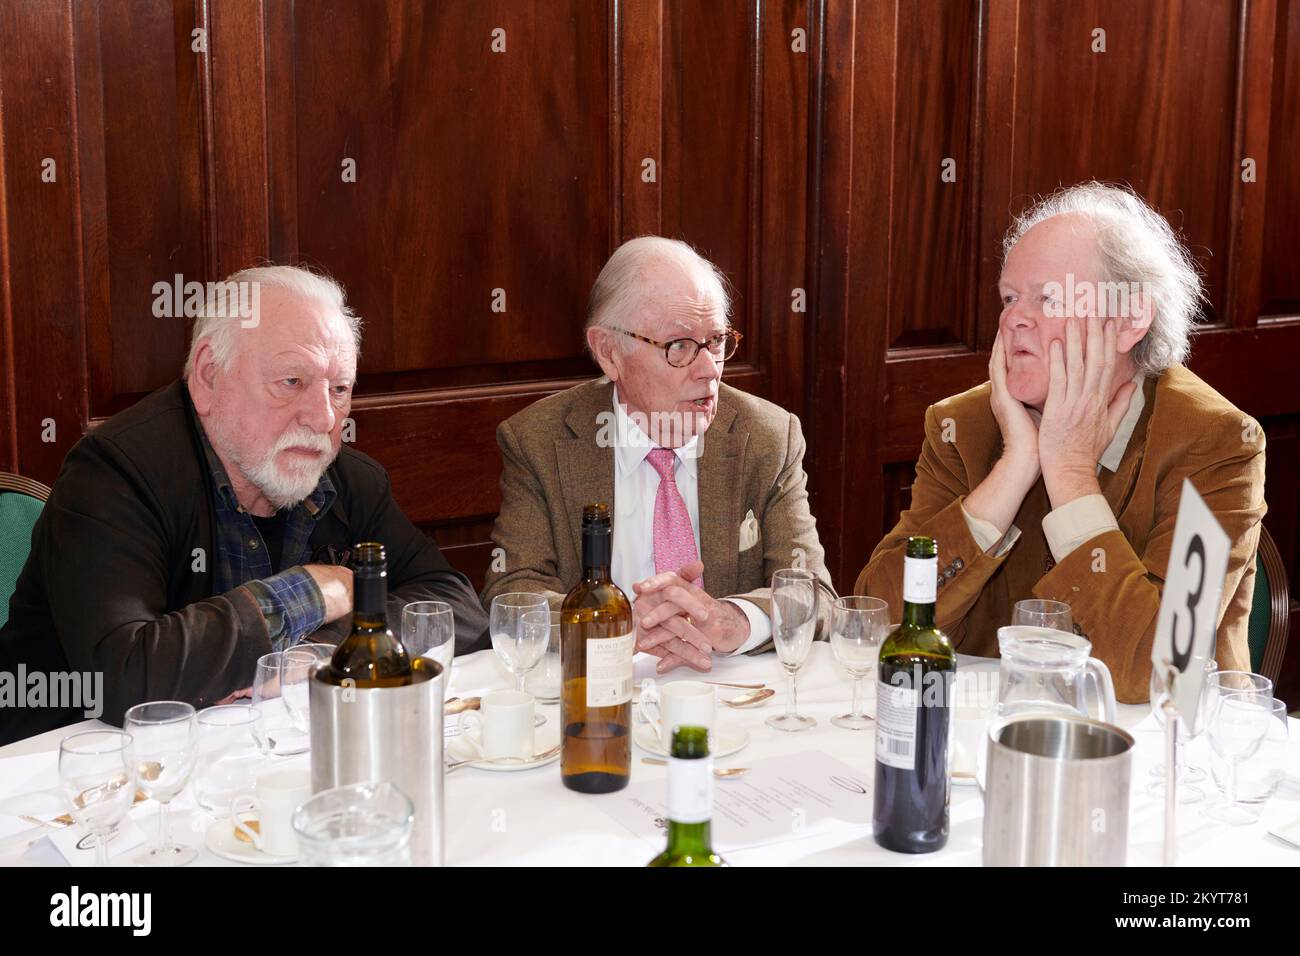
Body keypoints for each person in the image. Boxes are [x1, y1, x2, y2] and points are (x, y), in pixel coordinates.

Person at [0, 265, 488, 742]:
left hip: (255, 761)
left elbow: (455, 607)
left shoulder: (349, 479)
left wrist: (318, 651)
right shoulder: (113, 473)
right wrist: (313, 591)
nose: (323, 417)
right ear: (210, 375)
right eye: (292, 382)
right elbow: (122, 678)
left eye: (339, 389)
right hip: (62, 782)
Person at [855, 183, 1266, 702]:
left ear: (1130, 318)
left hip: (1165, 760)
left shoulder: (1217, 442)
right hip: (987, 741)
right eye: (1009, 297)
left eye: (1048, 297)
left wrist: (1070, 472)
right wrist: (1015, 465)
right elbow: (880, 622)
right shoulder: (962, 425)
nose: (1012, 319)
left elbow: (1161, 672)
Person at [483, 237, 831, 673]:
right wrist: (613, 624)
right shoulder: (538, 440)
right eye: (680, 346)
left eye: (717, 341)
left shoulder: (767, 437)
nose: (709, 370)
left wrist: (736, 620)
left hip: (731, 692)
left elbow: (813, 593)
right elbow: (513, 594)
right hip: (603, 689)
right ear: (610, 352)